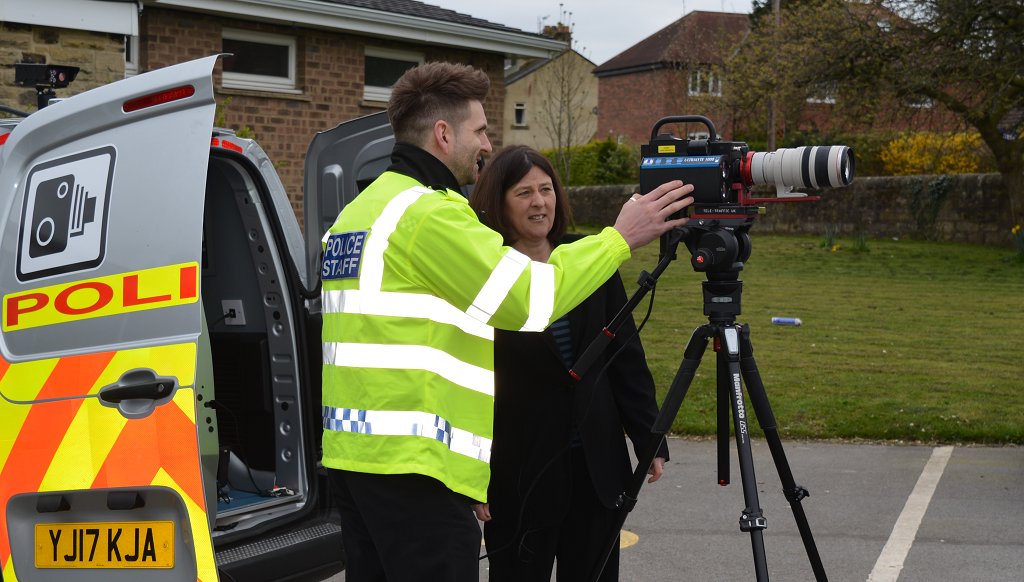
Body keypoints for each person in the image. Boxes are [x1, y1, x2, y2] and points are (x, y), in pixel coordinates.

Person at [321, 61, 693, 582]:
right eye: (479, 130)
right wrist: (618, 239)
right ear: (443, 134)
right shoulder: (428, 213)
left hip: (357, 460)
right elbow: (528, 299)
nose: (487, 144)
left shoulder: (358, 214)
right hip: (416, 469)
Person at [468, 146, 669, 582]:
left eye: (546, 189)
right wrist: (473, 473)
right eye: (524, 193)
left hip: (596, 467)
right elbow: (471, 382)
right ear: (498, 202)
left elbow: (626, 357)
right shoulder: (484, 273)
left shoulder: (591, 257)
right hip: (519, 474)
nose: (539, 202)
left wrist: (647, 434)